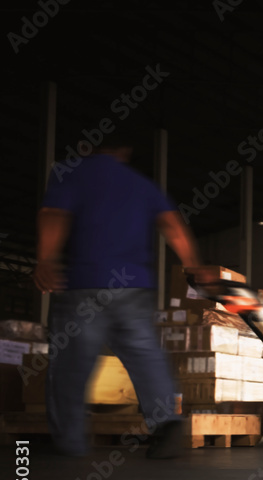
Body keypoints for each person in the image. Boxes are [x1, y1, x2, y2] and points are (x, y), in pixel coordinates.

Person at [33, 132, 209, 459]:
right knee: (145, 354)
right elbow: (174, 226)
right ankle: (166, 419)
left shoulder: (69, 172)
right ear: (125, 150)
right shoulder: (141, 185)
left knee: (73, 359)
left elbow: (53, 215)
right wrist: (192, 267)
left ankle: (70, 441)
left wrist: (46, 259)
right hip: (134, 287)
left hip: (84, 284)